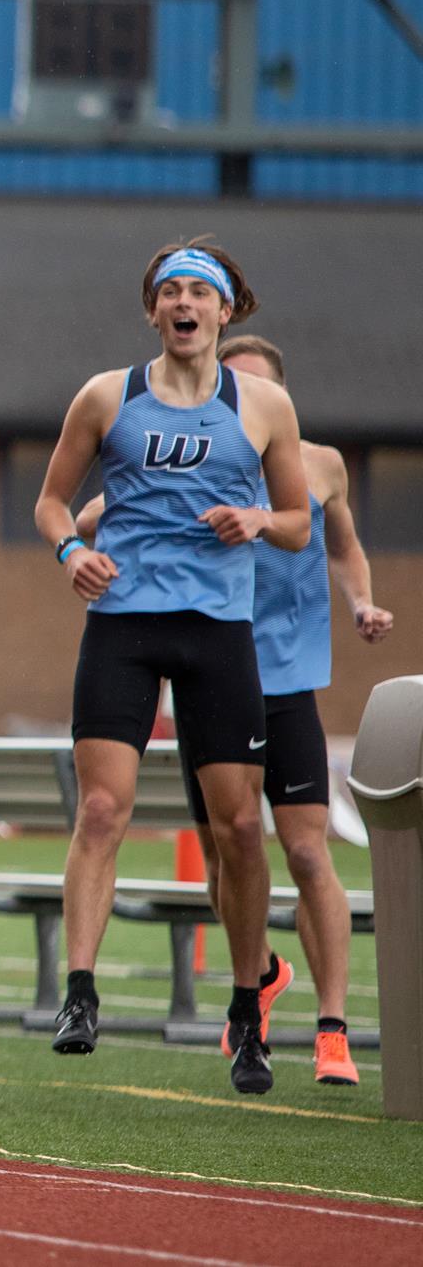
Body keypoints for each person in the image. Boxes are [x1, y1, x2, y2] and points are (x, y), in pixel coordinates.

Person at [75, 333, 391, 1086]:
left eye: (248, 388)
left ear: (277, 403)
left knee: (307, 849)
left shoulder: (316, 466)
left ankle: (333, 1029)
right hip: (212, 668)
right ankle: (262, 974)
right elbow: (93, 509)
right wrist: (92, 537)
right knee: (227, 851)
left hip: (285, 677)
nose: (224, 400)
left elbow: (337, 542)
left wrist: (362, 601)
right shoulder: (183, 453)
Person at [33, 237, 310, 1095]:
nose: (185, 304)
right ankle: (79, 992)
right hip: (122, 622)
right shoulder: (104, 397)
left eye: (201, 292)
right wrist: (70, 550)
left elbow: (300, 518)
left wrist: (259, 522)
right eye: (171, 292)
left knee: (235, 828)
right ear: (154, 311)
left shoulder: (262, 405)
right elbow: (49, 502)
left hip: (217, 631)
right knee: (104, 806)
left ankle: (245, 1005)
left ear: (226, 312)